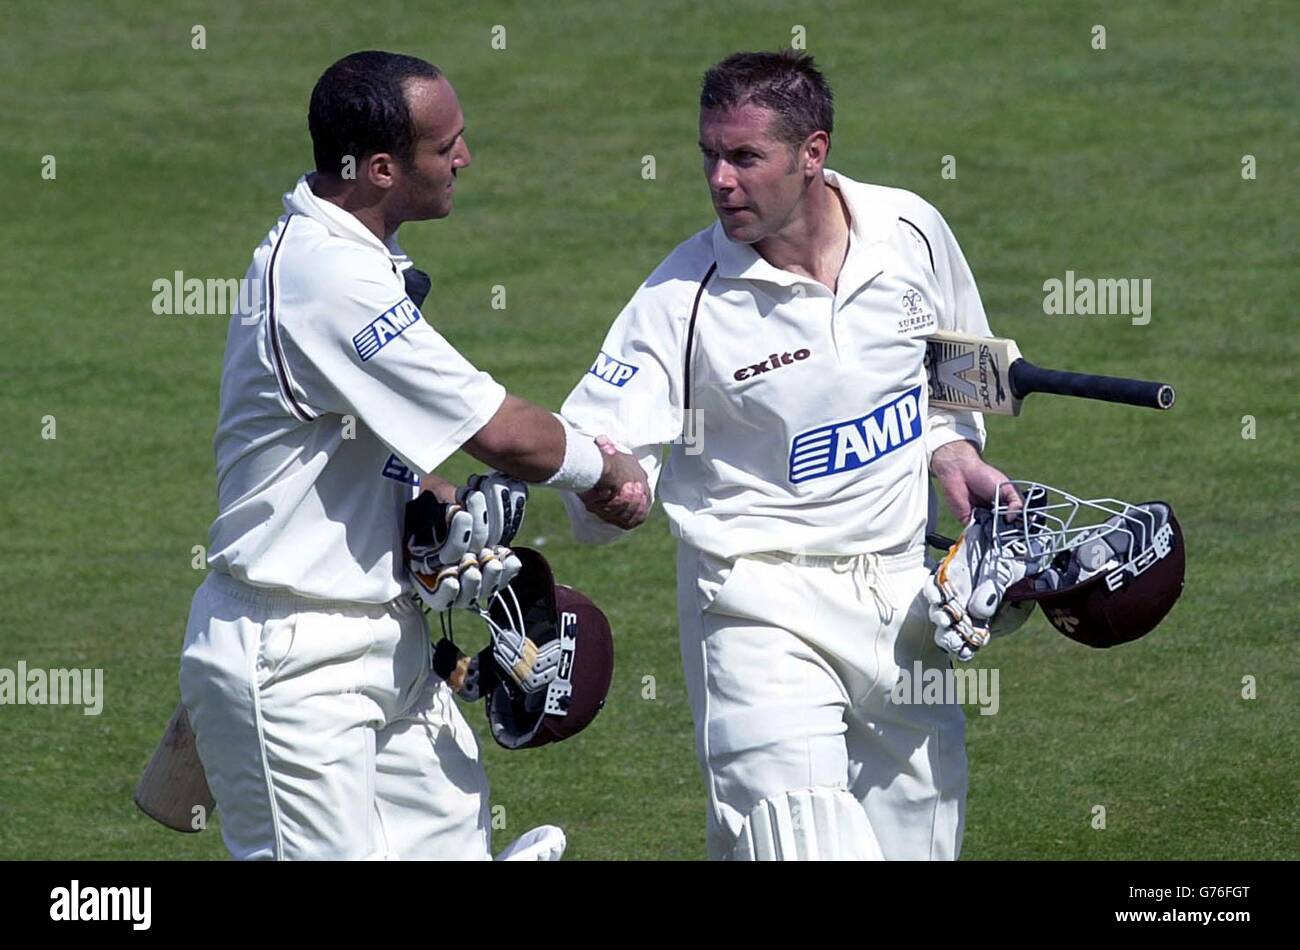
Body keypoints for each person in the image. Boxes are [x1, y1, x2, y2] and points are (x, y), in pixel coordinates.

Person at [179, 50, 647, 861]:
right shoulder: (328, 278)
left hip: (390, 644)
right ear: (384, 169)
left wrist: (433, 506)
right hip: (294, 656)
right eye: (448, 147)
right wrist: (605, 473)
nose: (464, 159)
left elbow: (355, 436)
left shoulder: (355, 261)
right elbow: (500, 430)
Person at [559, 50, 1017, 860]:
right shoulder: (681, 298)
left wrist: (953, 450)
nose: (719, 180)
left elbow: (961, 360)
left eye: (744, 157)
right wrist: (607, 489)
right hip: (756, 603)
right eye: (710, 155)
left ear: (813, 152)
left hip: (907, 600)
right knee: (798, 843)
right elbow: (597, 445)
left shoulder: (909, 227)